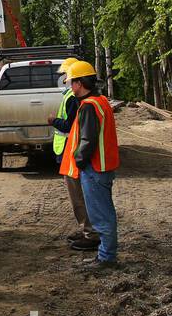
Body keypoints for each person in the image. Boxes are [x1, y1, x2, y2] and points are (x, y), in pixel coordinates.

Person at [58, 61, 120, 270]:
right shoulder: (101, 101)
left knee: (101, 216)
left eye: (71, 82)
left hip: (94, 168)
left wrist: (78, 161)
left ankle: (106, 257)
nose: (70, 86)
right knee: (105, 213)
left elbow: (88, 140)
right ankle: (106, 254)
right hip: (103, 166)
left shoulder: (88, 106)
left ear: (79, 83)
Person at [47, 58, 97, 251]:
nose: (65, 80)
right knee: (80, 195)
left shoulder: (79, 102)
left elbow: (80, 132)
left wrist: (53, 121)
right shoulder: (79, 99)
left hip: (73, 154)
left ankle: (90, 233)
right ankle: (86, 230)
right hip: (71, 153)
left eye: (68, 78)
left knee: (79, 196)